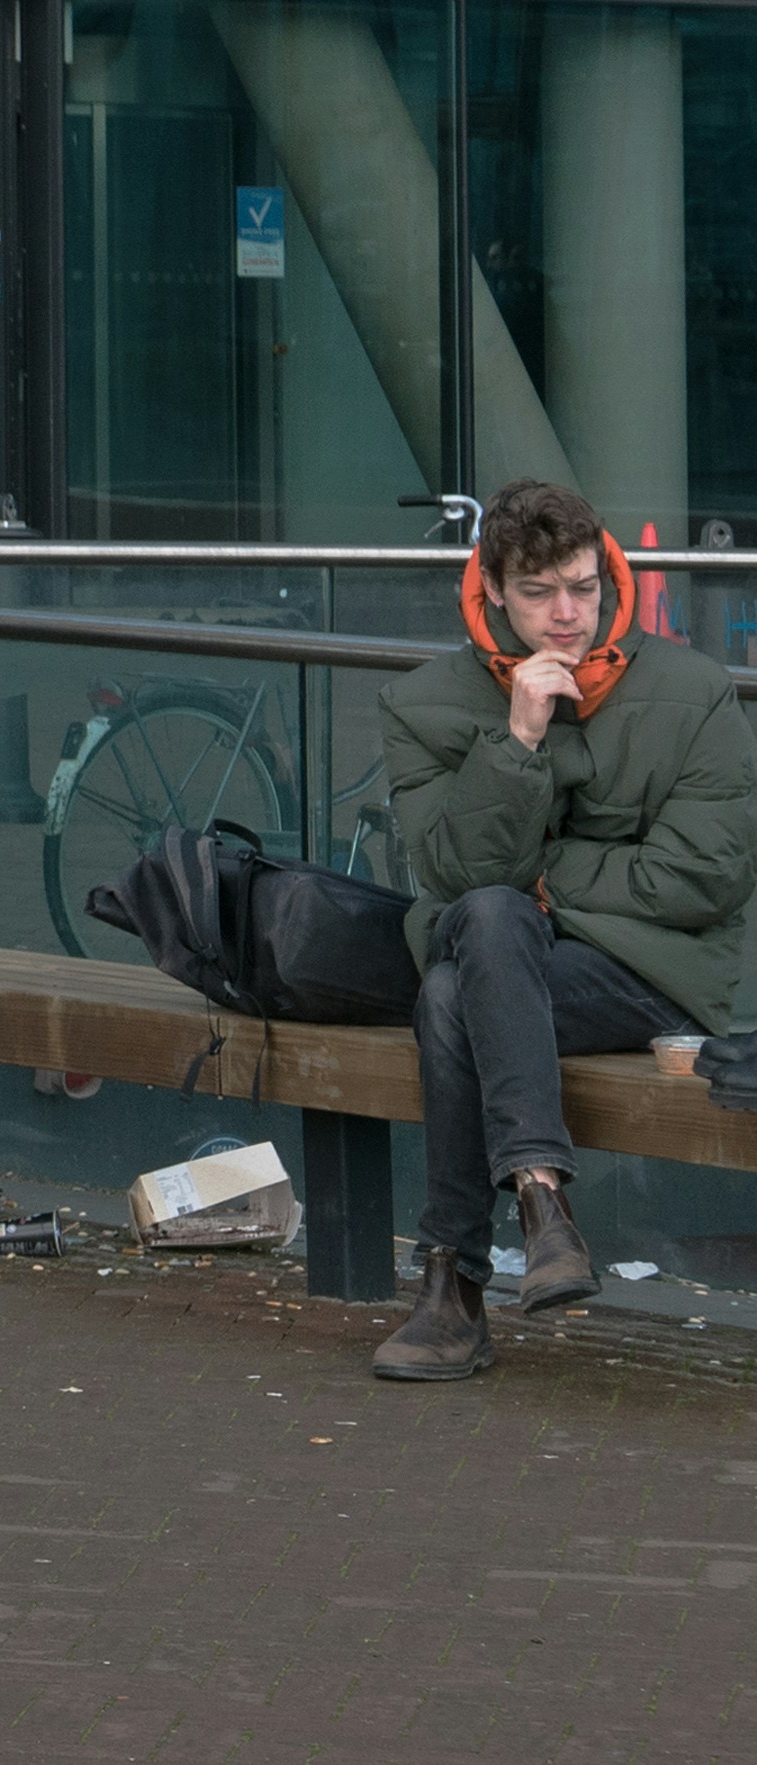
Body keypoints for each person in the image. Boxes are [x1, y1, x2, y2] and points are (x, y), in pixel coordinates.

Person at [368, 479, 756, 1380]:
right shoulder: (424, 704)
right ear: (493, 586)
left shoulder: (694, 692)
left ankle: (453, 1288)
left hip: (646, 976)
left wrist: (545, 880)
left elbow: (705, 876)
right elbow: (452, 874)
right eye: (539, 592)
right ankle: (544, 1205)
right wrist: (517, 739)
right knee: (476, 947)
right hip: (514, 956)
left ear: (606, 571)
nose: (567, 614)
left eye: (581, 586)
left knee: (457, 986)